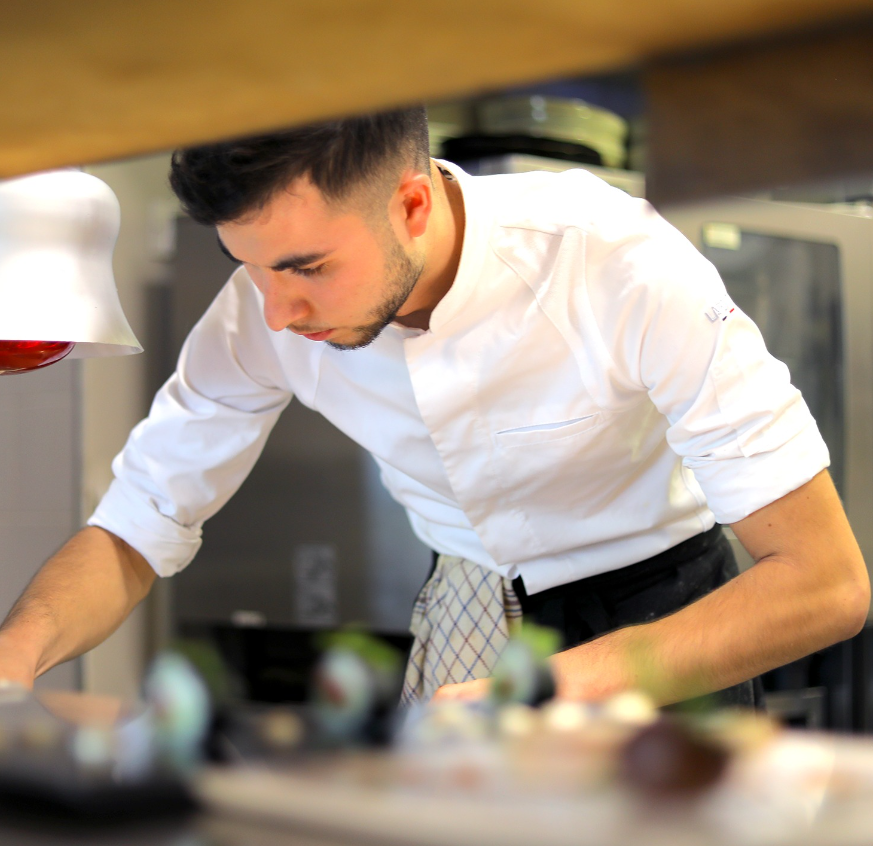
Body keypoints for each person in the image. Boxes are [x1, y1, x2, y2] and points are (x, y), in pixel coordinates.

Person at [0, 107, 867, 708]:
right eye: (249, 267)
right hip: (463, 604)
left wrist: (543, 690)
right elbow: (138, 521)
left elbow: (824, 583)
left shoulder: (615, 263)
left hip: (663, 617)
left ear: (411, 204)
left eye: (305, 267)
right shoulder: (258, 310)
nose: (275, 313)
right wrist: (15, 658)